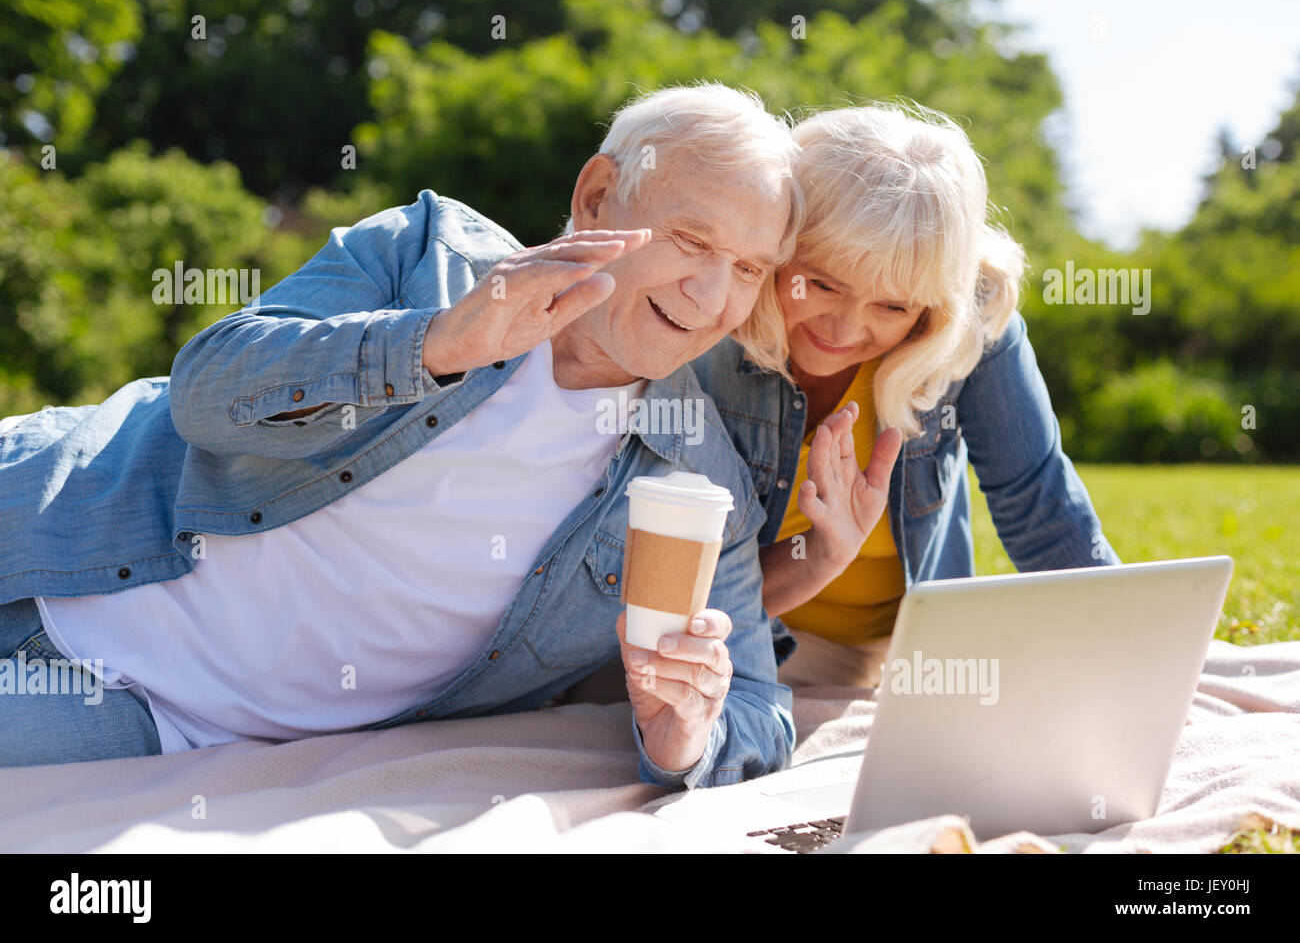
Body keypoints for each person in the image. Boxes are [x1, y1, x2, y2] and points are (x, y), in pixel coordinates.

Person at [0, 83, 803, 788]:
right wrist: (439, 343)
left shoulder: (701, 485)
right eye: (692, 240)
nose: (711, 294)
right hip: (49, 517)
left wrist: (687, 735)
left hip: (146, 715)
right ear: (598, 196)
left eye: (748, 269)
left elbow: (759, 706)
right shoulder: (431, 255)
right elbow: (207, 392)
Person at [690, 101, 1121, 689]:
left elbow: (1035, 497)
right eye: (819, 283)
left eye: (892, 306)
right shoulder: (709, 321)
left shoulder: (972, 325)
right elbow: (692, 576)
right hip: (747, 635)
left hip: (913, 652)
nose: (843, 330)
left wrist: (1127, 645)